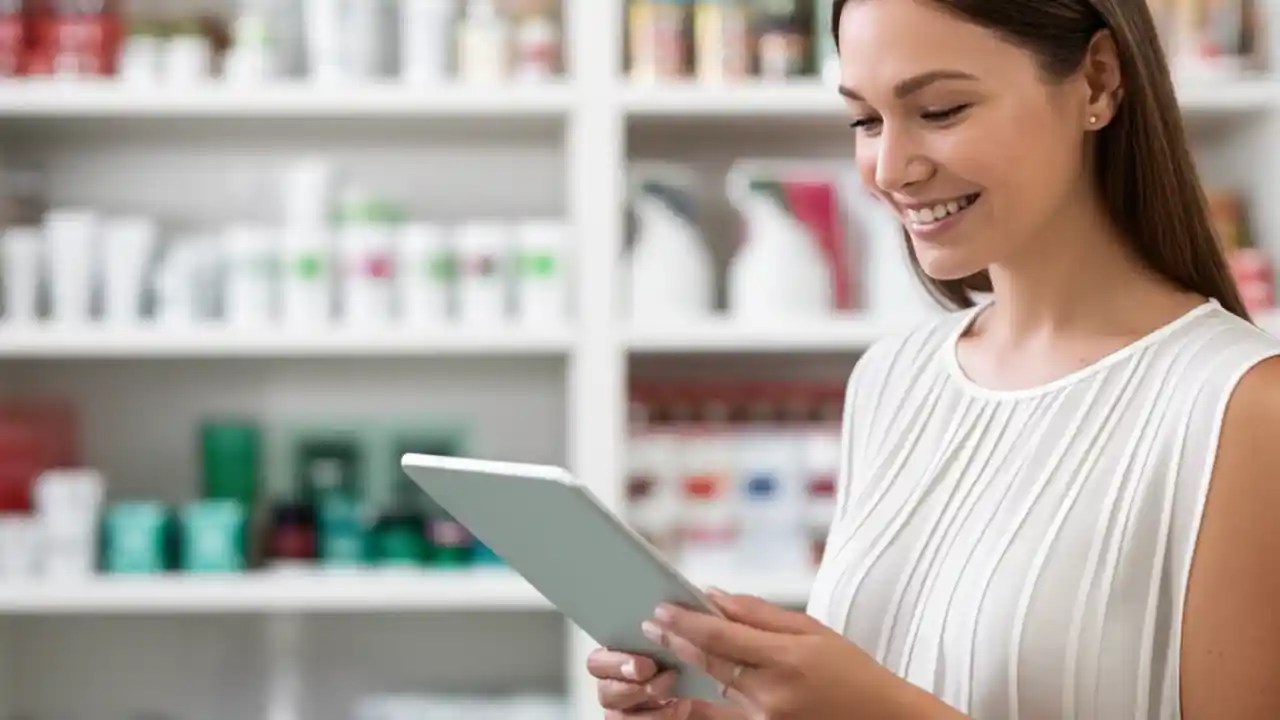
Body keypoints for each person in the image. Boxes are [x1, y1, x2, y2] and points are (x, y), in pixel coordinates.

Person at [589, 0, 1280, 717]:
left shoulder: (1243, 409)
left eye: (942, 110)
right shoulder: (894, 380)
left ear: (1098, 82)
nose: (891, 168)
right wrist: (712, 710)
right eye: (864, 120)